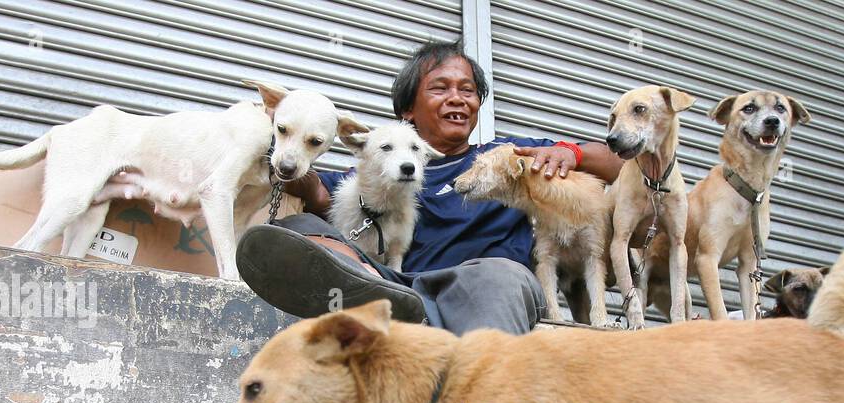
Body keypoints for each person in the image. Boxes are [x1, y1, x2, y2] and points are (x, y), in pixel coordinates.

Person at [236, 40, 623, 335]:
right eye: (440, 88)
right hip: (396, 284)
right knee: (296, 230)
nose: (458, 98)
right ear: (408, 108)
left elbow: (617, 163)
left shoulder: (505, 157)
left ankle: (481, 386)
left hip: (481, 284)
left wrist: (569, 152)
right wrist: (281, 146)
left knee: (503, 275)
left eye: (467, 90)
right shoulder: (378, 162)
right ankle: (375, 294)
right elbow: (317, 191)